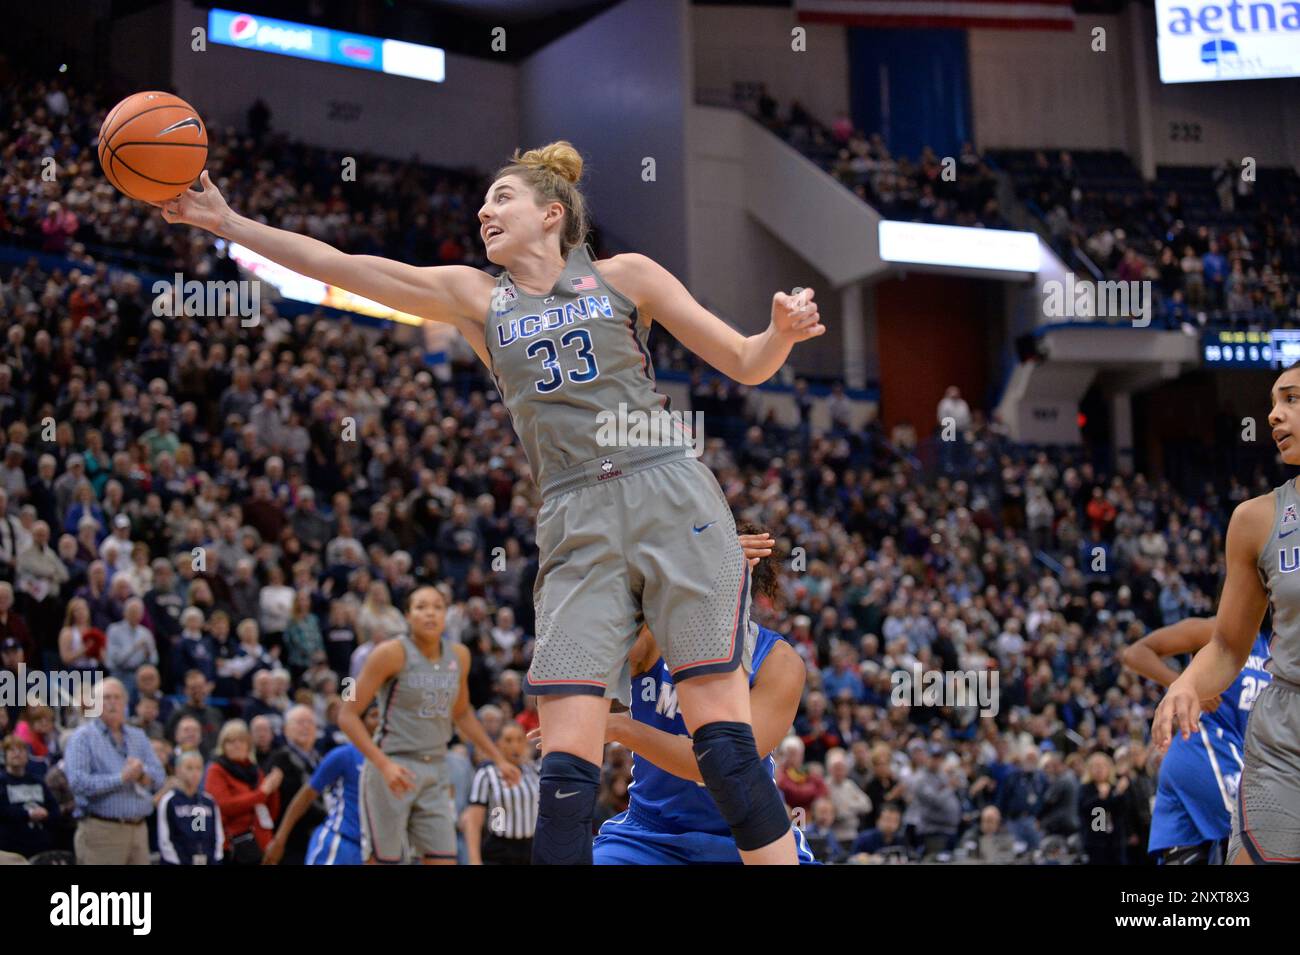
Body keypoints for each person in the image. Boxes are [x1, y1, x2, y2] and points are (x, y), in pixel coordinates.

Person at [157, 139, 823, 865]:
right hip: (575, 511)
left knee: (724, 746)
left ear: (552, 213)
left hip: (668, 487)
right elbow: (347, 268)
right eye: (484, 200)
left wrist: (780, 333)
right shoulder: (476, 296)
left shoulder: (624, 276)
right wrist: (226, 221)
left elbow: (746, 361)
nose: (483, 210)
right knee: (566, 760)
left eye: (502, 197)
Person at [582, 529, 815, 864]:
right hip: (651, 833)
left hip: (750, 836)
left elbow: (720, 765)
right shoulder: (652, 636)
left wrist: (622, 729)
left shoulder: (779, 661)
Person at [1154, 360, 1300, 865]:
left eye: (1292, 400)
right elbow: (1227, 645)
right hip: (1286, 735)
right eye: (1273, 405)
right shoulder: (1256, 519)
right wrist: (1187, 684)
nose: (1275, 417)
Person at [337, 586, 517, 864]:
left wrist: (498, 759)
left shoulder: (459, 656)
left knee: (445, 858)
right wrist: (383, 764)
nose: (430, 613)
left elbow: (463, 713)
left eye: (437, 606)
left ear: (446, 615)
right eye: (421, 607)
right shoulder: (390, 653)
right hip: (394, 766)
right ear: (407, 615)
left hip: (436, 767)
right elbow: (347, 715)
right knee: (384, 860)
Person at [1131, 616, 1271, 863]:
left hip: (1237, 756)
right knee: (1267, 835)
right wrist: (1183, 684)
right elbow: (1137, 653)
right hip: (1206, 748)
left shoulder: (1273, 644)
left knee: (1185, 853)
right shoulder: (1214, 629)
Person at [63, 677, 165, 864]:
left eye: (117, 698)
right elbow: (78, 783)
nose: (112, 703)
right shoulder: (82, 737)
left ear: (126, 703)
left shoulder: (138, 736)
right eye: (106, 697)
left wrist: (141, 775)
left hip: (138, 829)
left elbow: (160, 777)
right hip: (102, 831)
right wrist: (121, 778)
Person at [263, 703, 381, 866]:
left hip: (373, 848)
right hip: (339, 842)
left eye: (310, 723)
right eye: (374, 715)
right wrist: (279, 840)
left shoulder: (396, 761)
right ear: (360, 722)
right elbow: (303, 798)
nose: (380, 721)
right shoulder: (343, 755)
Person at [204, 719, 282, 864]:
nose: (237, 745)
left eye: (241, 740)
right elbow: (223, 805)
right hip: (235, 845)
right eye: (231, 741)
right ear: (223, 746)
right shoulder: (216, 770)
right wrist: (262, 793)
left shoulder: (255, 771)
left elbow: (271, 812)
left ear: (248, 745)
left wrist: (274, 788)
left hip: (262, 842)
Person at [463, 722, 540, 865]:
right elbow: (473, 822)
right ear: (498, 744)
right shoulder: (487, 773)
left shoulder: (534, 770)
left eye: (519, 739)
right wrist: (474, 860)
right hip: (499, 850)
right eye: (508, 740)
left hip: (531, 849)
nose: (514, 745)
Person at [264, 704, 323, 865]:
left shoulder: (321, 758)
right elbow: (286, 799)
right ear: (285, 729)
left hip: (320, 839)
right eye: (299, 722)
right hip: (291, 841)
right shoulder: (278, 759)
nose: (305, 727)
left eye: (310, 722)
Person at [156, 751, 222, 865]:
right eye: (189, 768)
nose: (194, 773)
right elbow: (165, 840)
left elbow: (217, 835)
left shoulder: (208, 801)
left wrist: (215, 859)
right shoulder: (169, 800)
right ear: (177, 771)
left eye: (198, 768)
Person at [0, 733, 60, 858]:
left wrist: (46, 814)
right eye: (12, 750)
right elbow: (3, 811)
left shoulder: (38, 781)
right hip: (11, 849)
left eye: (21, 750)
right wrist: (28, 815)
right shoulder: (2, 781)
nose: (17, 754)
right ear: (5, 756)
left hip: (41, 846)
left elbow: (54, 810)